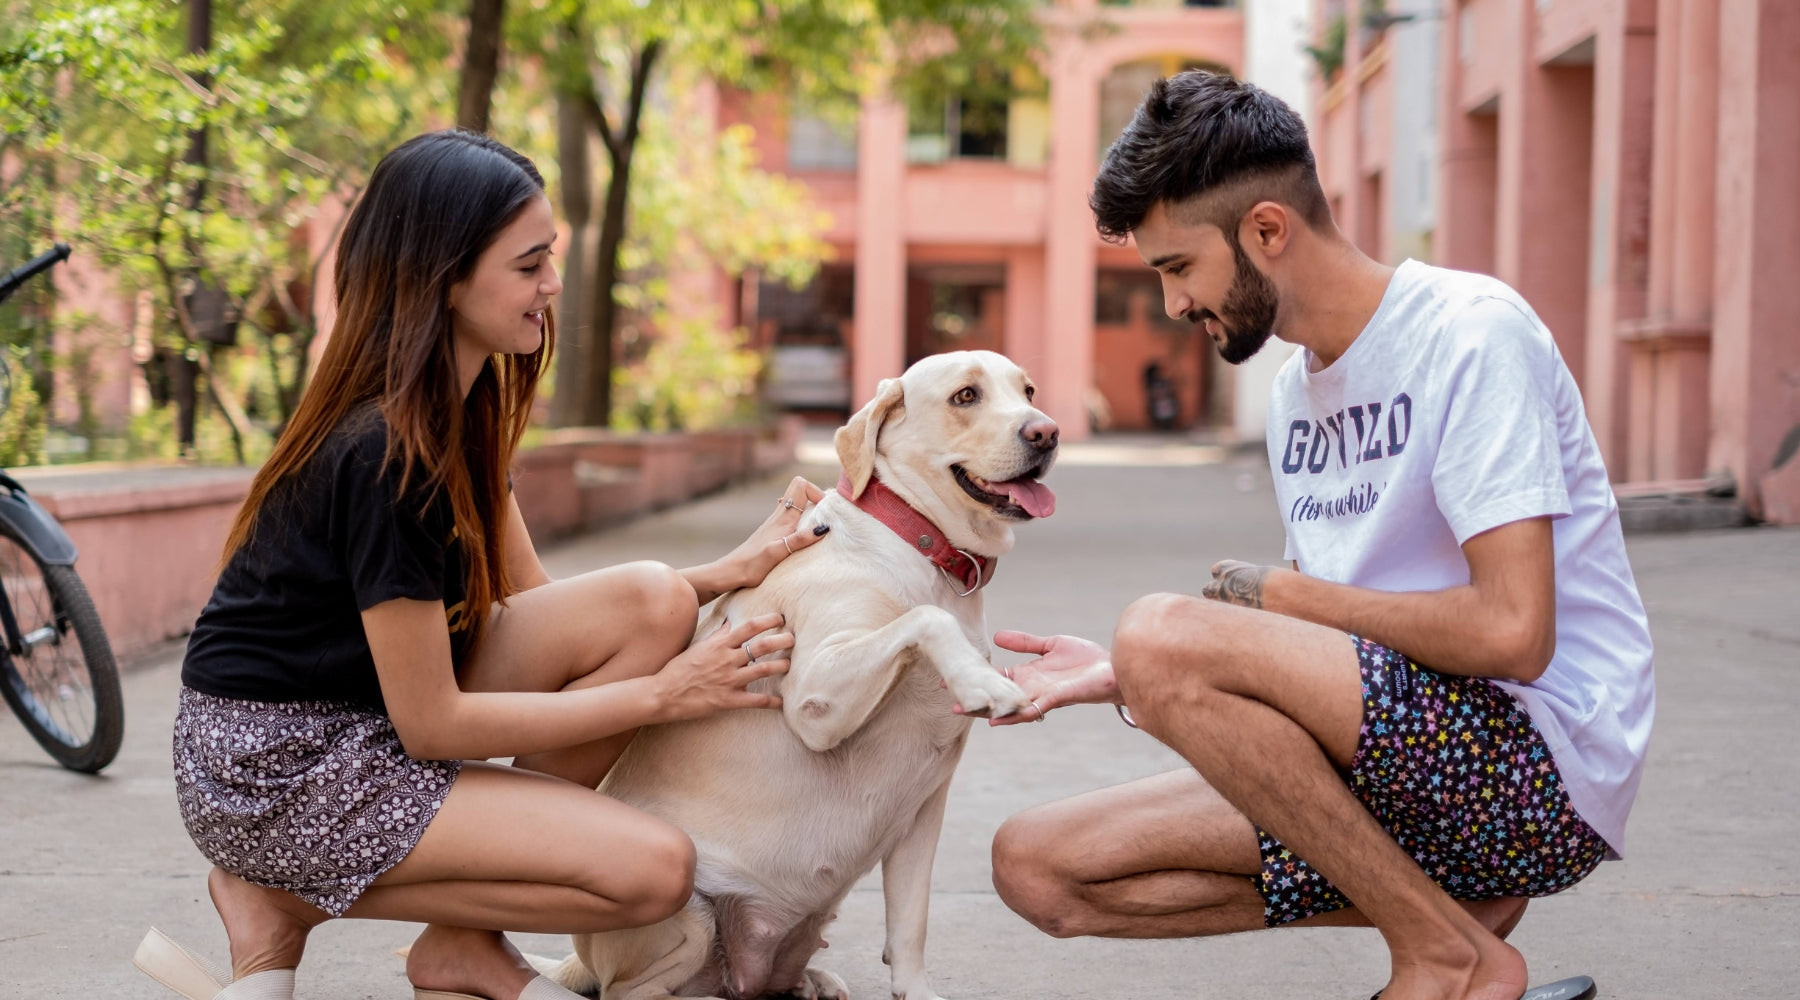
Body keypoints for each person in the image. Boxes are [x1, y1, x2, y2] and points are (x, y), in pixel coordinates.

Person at [980, 71, 1653, 1000]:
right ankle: (1457, 926)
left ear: (1266, 230)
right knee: (1037, 864)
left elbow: (1513, 633)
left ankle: (1443, 958)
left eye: (1178, 267)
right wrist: (1133, 679)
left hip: (1534, 768)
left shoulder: (1469, 333)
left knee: (1163, 629)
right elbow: (1315, 658)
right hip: (1396, 750)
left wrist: (1273, 604)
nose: (1174, 304)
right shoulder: (1298, 392)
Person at [132, 130, 829, 1000]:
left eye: (552, 258)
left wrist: (716, 577)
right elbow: (433, 724)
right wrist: (670, 695)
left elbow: (545, 612)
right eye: (529, 264)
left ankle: (458, 945)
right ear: (445, 277)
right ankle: (278, 895)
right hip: (278, 765)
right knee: (654, 872)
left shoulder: (459, 410)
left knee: (651, 603)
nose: (552, 285)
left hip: (368, 715)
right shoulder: (385, 453)